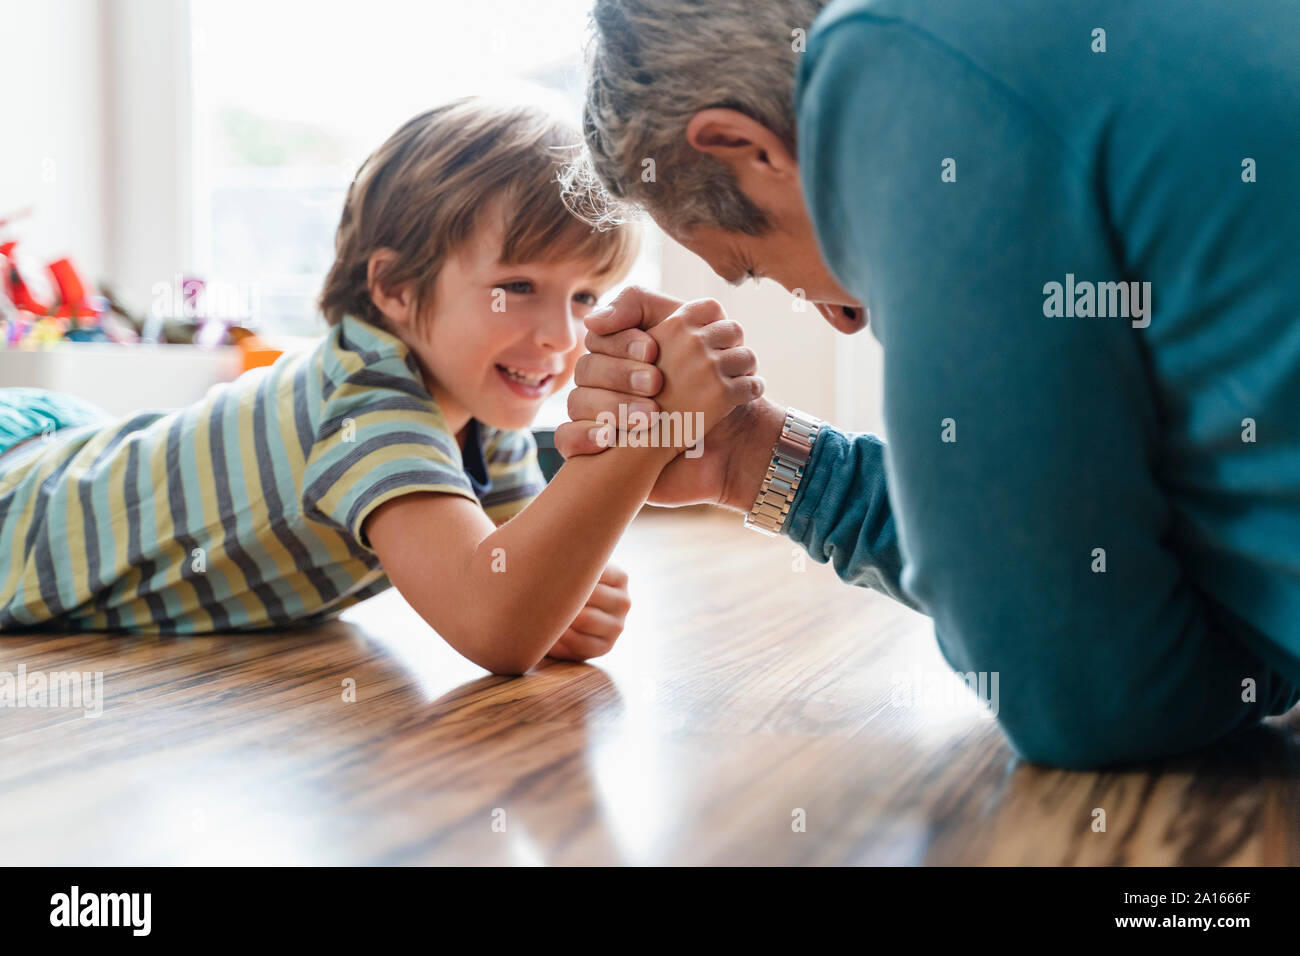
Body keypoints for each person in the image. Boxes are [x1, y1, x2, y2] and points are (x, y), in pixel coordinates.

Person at [556, 0, 1300, 768]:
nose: (842, 319)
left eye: (756, 265)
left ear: (747, 147)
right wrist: (751, 461)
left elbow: (1093, 698)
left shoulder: (899, 68)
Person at [0, 97, 763, 675]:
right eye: (518, 286)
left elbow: (512, 578)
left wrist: (558, 595)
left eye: (587, 297)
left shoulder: (478, 407)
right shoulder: (368, 407)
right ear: (395, 288)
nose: (560, 338)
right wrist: (645, 430)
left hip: (63, 445)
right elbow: (496, 624)